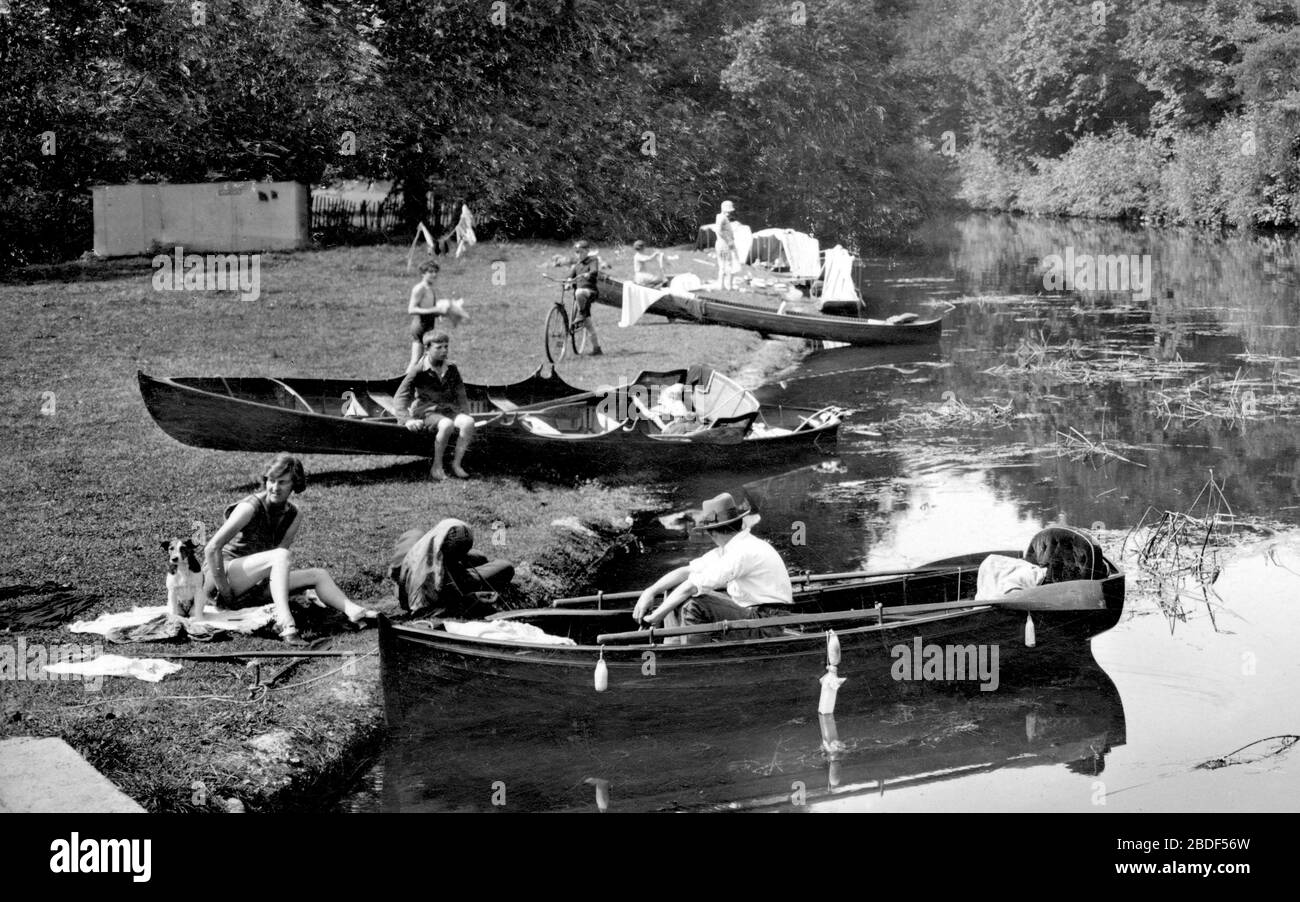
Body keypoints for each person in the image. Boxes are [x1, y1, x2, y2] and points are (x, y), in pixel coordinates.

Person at [203, 454, 377, 646]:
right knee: (281, 556)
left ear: (295, 484)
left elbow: (277, 565)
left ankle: (354, 611)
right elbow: (212, 548)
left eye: (283, 482)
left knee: (318, 574)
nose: (275, 488)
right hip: (221, 579)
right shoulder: (250, 507)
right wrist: (224, 591)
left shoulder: (294, 514)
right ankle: (286, 624)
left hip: (252, 584)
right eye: (271, 481)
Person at [631, 492, 792, 643]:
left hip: (767, 624)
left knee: (693, 605)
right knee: (674, 591)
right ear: (738, 523)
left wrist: (657, 615)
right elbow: (686, 572)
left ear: (712, 533)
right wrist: (650, 591)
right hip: (756, 614)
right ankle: (673, 647)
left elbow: (692, 587)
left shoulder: (742, 551)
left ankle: (691, 658)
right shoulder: (734, 547)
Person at [394, 330, 476, 480]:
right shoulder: (418, 370)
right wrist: (407, 420)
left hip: (448, 409)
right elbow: (400, 397)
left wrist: (465, 413)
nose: (444, 351)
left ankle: (456, 464)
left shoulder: (451, 368)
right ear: (427, 349)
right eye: (439, 348)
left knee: (468, 422)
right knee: (446, 424)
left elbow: (461, 394)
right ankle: (437, 466)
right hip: (426, 412)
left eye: (446, 346)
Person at [389, 519, 515, 616]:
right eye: (457, 553)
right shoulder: (427, 576)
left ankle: (463, 561)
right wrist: (472, 599)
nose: (461, 557)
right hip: (434, 580)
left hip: (424, 563)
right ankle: (468, 575)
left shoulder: (430, 546)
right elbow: (426, 611)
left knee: (479, 557)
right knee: (505, 567)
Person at [405, 261, 468, 369]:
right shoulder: (420, 288)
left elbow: (429, 309)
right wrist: (435, 309)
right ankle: (403, 385)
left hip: (428, 325)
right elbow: (411, 309)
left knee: (425, 360)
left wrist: (444, 313)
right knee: (416, 360)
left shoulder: (430, 288)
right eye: (430, 272)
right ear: (423, 273)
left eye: (435, 272)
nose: (434, 274)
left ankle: (417, 384)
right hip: (420, 325)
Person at [568, 240, 605, 356]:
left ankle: (580, 315)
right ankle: (597, 348)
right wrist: (568, 282)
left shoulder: (593, 260)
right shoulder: (577, 265)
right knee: (588, 322)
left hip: (590, 292)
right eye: (577, 252)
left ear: (587, 251)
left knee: (579, 292)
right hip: (581, 297)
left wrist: (589, 274)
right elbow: (569, 277)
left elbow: (594, 270)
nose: (579, 254)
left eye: (581, 252)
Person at [714, 200, 741, 291]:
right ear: (724, 210)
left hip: (721, 244)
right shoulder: (722, 218)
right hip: (724, 244)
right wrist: (729, 240)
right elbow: (719, 230)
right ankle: (728, 286)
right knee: (728, 265)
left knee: (722, 265)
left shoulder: (721, 217)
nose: (730, 213)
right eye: (729, 211)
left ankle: (721, 285)